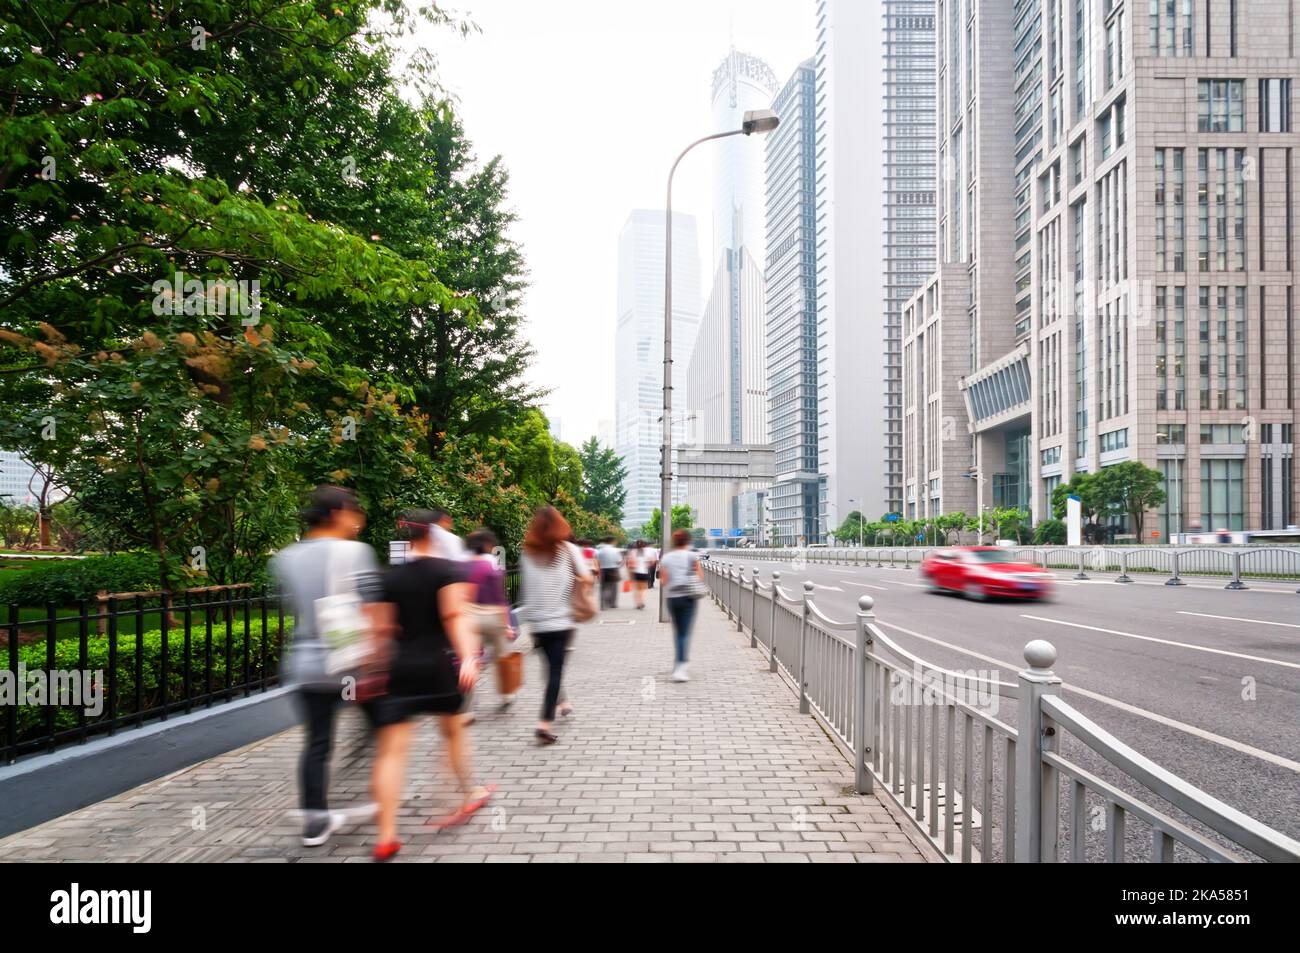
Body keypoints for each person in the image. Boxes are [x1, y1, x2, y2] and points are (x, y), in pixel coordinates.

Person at [364, 510, 492, 862]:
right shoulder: (446, 571)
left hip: (399, 668)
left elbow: (380, 632)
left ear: (404, 539)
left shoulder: (387, 578)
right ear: (432, 535)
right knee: (453, 733)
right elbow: (454, 616)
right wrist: (468, 657)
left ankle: (387, 835)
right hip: (436, 667)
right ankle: (468, 793)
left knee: (391, 752)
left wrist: (374, 670)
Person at [270, 485, 380, 847]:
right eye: (352, 511)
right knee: (385, 728)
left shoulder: (285, 558)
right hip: (349, 664)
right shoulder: (356, 553)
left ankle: (315, 821)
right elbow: (371, 609)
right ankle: (381, 796)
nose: (356, 520)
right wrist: (379, 658)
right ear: (336, 513)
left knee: (317, 742)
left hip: (305, 665)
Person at [519, 506, 592, 745]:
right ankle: (544, 723)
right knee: (555, 670)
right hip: (561, 621)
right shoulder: (568, 550)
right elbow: (587, 577)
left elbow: (526, 590)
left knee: (551, 668)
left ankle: (563, 701)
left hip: (537, 623)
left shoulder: (527, 553)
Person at [462, 528, 516, 714]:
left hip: (470, 618)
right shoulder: (493, 564)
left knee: (470, 661)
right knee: (502, 657)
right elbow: (501, 598)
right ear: (487, 545)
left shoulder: (463, 564)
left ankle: (468, 709)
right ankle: (507, 694)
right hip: (493, 617)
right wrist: (507, 624)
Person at [658, 528, 706, 682]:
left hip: (673, 598)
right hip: (688, 598)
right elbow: (700, 577)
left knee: (678, 632)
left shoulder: (666, 558)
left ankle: (679, 664)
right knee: (685, 633)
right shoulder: (692, 556)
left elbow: (663, 581)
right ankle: (681, 666)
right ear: (688, 541)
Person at [595, 537, 622, 609]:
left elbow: (597, 562)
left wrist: (598, 571)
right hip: (613, 569)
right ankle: (612, 603)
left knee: (603, 587)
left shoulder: (600, 551)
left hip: (603, 570)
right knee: (613, 587)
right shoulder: (615, 550)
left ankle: (602, 604)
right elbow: (619, 561)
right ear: (612, 541)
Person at [626, 539, 650, 609]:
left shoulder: (633, 552)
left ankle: (638, 603)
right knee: (643, 589)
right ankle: (642, 601)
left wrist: (629, 574)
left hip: (635, 572)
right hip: (644, 572)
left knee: (636, 589)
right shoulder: (647, 552)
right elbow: (651, 561)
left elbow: (629, 564)